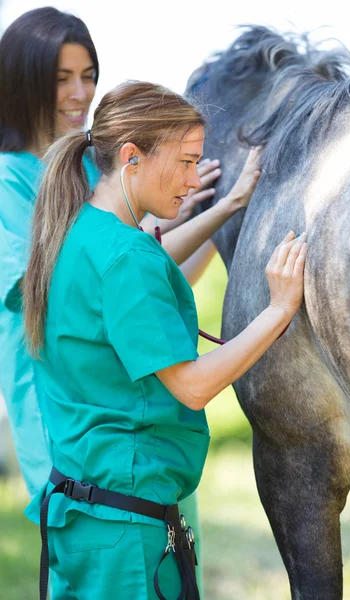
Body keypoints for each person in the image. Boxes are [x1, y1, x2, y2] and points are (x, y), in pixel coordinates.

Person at [23, 80, 306, 600]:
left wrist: (226, 207)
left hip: (85, 520)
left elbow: (144, 271)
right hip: (127, 536)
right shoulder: (124, 259)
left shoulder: (75, 231)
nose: (194, 179)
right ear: (132, 157)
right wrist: (279, 309)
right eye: (186, 161)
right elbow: (193, 387)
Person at [0, 9, 219, 591]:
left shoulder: (83, 177)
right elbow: (121, 287)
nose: (78, 92)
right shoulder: (14, 184)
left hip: (128, 419)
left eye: (88, 74)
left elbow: (141, 296)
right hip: (77, 420)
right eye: (60, 77)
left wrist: (217, 216)